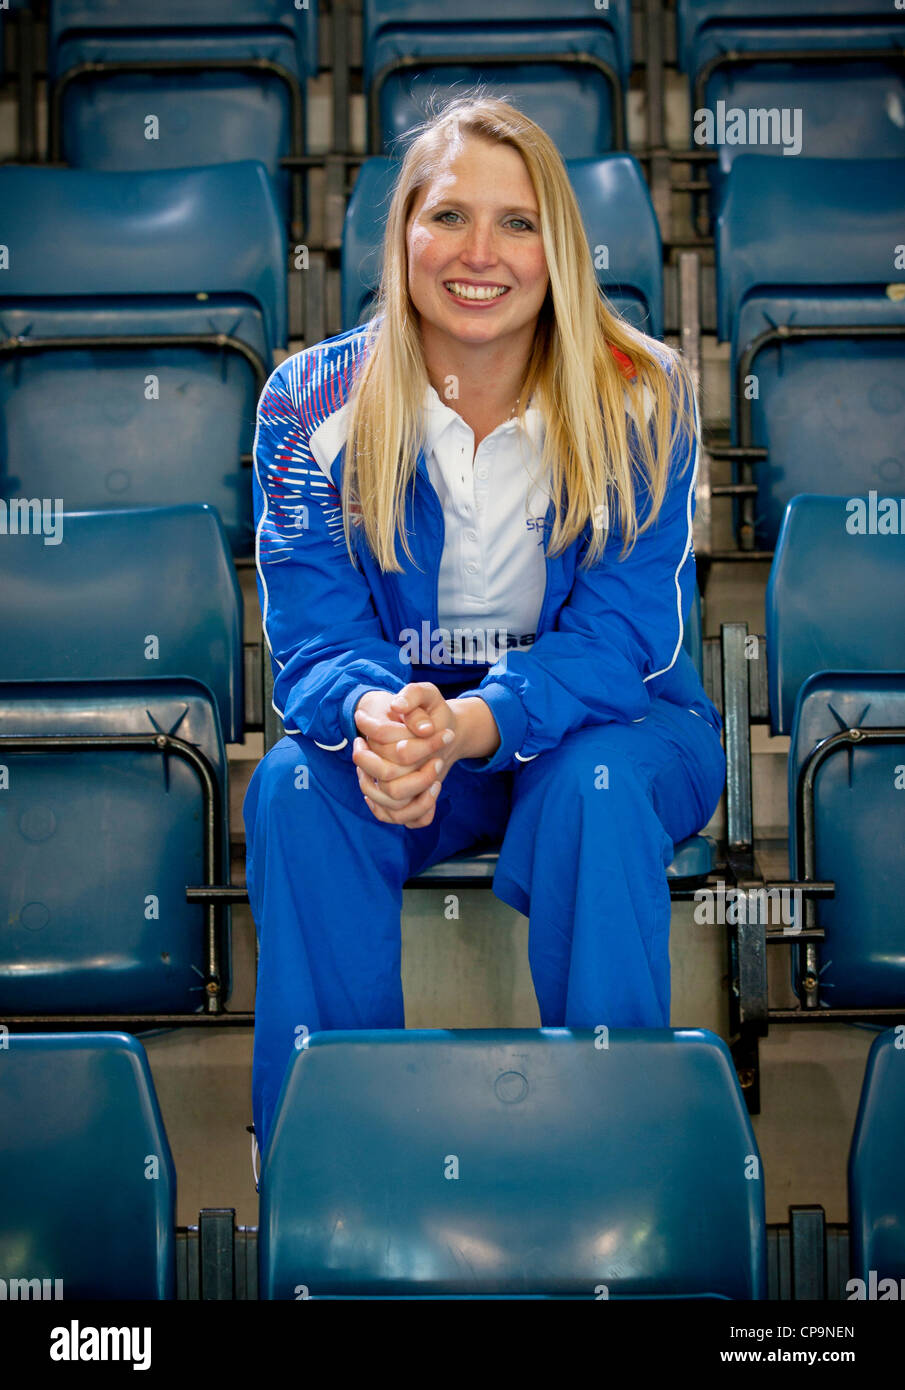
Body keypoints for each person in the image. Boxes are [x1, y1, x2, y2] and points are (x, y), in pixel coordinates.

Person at [245, 94, 726, 1154]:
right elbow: (315, 640)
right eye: (449, 216)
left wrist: (473, 725)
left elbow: (617, 648)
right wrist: (381, 715)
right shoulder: (306, 399)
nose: (480, 253)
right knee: (289, 787)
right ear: (402, 231)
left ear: (556, 245)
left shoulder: (644, 392)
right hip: (411, 729)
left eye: (516, 223)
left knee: (594, 787)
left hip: (619, 724)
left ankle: (618, 1156)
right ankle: (335, 1162)